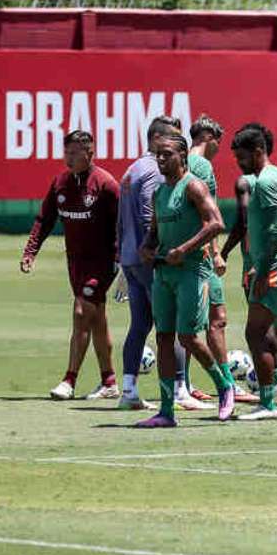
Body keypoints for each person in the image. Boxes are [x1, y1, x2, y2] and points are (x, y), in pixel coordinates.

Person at [133, 129, 235, 427]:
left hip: (192, 270)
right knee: (164, 337)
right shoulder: (160, 191)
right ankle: (166, 411)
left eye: (167, 154)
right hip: (164, 272)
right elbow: (155, 229)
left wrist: (185, 248)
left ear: (182, 156)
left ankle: (224, 385)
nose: (161, 159)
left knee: (188, 336)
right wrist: (147, 247)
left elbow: (217, 223)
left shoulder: (194, 186)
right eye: (158, 155)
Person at [20, 129, 120, 401]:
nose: (70, 157)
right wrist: (31, 252)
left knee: (80, 311)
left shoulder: (106, 185)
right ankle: (109, 380)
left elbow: (124, 226)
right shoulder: (61, 183)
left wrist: (123, 265)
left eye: (75, 153)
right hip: (75, 262)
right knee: (96, 318)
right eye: (67, 152)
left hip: (103, 262)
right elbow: (44, 220)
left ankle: (69, 380)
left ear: (90, 153)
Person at [226, 123, 277, 421]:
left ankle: (268, 403)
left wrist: (261, 271)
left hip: (276, 266)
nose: (238, 162)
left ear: (259, 151)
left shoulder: (268, 181)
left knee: (255, 332)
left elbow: (273, 232)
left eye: (242, 156)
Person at [115, 136, 166, 410]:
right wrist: (156, 250)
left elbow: (121, 217)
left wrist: (120, 255)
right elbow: (149, 213)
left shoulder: (132, 168)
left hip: (129, 257)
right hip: (148, 259)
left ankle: (129, 390)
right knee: (168, 323)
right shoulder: (154, 170)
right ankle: (179, 389)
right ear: (158, 139)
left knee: (139, 325)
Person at [187, 115, 233, 400]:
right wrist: (216, 252)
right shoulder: (202, 165)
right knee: (217, 318)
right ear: (210, 139)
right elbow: (209, 215)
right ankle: (227, 382)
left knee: (186, 323)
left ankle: (184, 384)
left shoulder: (183, 162)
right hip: (202, 256)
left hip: (186, 251)